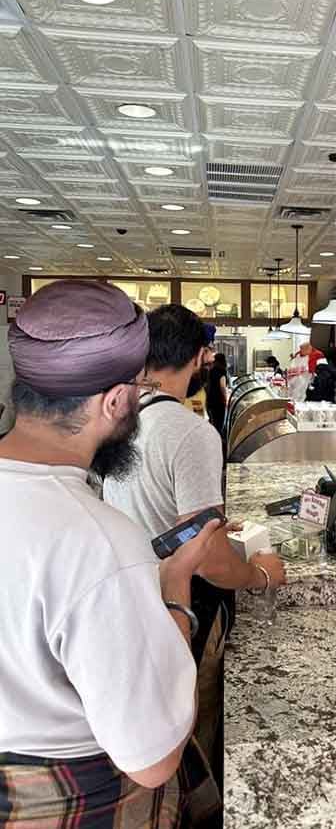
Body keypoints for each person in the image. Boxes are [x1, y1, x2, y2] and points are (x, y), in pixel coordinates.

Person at [0, 279, 220, 827]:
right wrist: (174, 586)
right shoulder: (99, 541)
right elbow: (153, 759)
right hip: (77, 796)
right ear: (117, 400)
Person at [104, 304, 286, 767]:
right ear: (198, 357)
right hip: (186, 603)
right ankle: (196, 797)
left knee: (153, 716)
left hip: (130, 594)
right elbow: (209, 561)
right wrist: (259, 575)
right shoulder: (191, 432)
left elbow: (156, 508)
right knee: (191, 718)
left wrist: (216, 527)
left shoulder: (121, 418)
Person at [206, 351, 229, 434]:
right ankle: (218, 439)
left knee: (213, 422)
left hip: (210, 400)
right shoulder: (222, 371)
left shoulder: (211, 370)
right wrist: (226, 399)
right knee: (219, 424)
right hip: (218, 401)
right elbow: (222, 387)